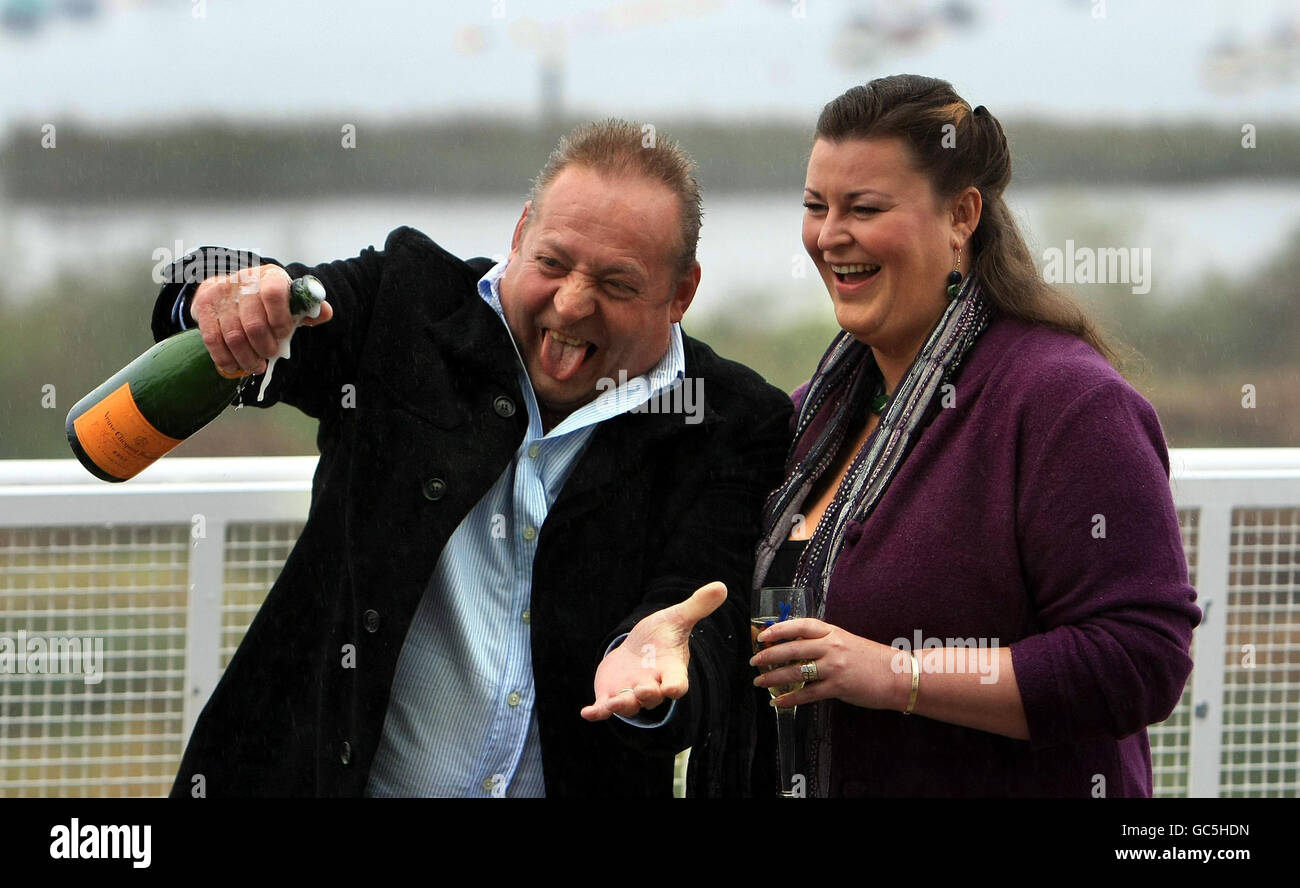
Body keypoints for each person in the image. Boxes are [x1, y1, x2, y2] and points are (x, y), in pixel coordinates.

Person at [155, 120, 792, 797]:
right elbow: (210, 301)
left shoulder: (730, 420)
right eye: (552, 263)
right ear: (519, 235)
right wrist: (226, 297)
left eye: (616, 283)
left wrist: (653, 672)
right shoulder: (407, 307)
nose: (572, 303)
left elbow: (702, 616)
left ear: (682, 292)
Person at [744, 75, 1200, 797]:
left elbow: (1139, 661)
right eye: (815, 207)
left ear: (961, 215)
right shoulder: (813, 413)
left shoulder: (1066, 403)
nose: (830, 236)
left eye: (864, 208)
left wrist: (898, 674)